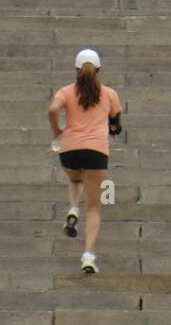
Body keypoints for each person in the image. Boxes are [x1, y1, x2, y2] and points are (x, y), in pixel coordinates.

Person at [48, 48, 122, 275]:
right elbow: (116, 125)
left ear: (76, 70)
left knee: (75, 178)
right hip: (97, 151)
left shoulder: (66, 91)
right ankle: (88, 256)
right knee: (94, 207)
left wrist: (56, 130)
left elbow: (52, 109)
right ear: (98, 70)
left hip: (70, 148)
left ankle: (72, 208)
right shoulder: (109, 94)